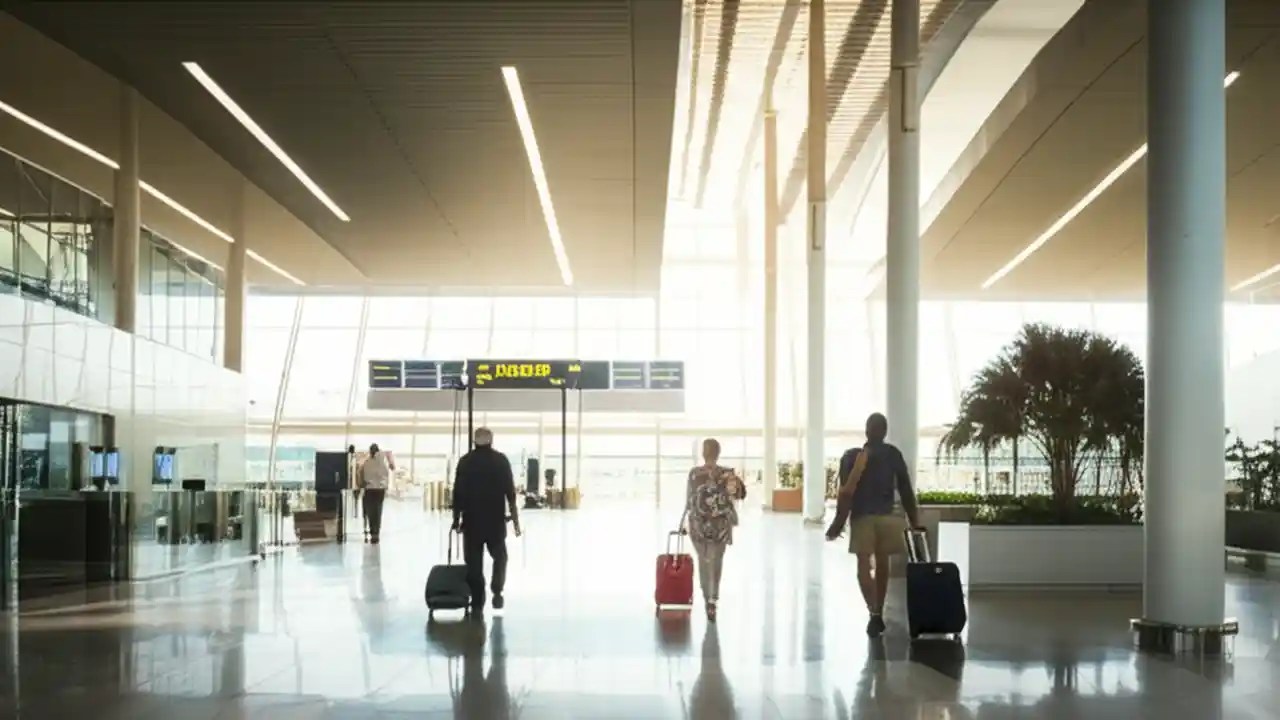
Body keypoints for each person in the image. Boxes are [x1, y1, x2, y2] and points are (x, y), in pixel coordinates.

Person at [826, 412, 922, 637]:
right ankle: (878, 607)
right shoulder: (893, 454)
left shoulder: (851, 457)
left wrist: (838, 522)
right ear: (885, 432)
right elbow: (906, 489)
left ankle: (874, 612)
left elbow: (845, 494)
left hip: (862, 517)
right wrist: (914, 521)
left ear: (866, 431)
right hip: (888, 517)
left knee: (863, 566)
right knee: (882, 563)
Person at [452, 427, 521, 613]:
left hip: (472, 522)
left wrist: (456, 519)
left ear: (474, 442)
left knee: (474, 562)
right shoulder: (501, 461)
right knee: (500, 557)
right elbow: (510, 493)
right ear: (491, 441)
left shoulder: (465, 462)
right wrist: (515, 521)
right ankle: (497, 590)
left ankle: (477, 598)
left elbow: (457, 493)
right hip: (495, 522)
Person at [681, 438, 745, 622]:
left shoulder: (694, 473)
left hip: (698, 525)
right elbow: (739, 495)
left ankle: (706, 597)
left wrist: (684, 521)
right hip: (720, 525)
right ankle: (712, 600)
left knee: (703, 561)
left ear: (703, 453)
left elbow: (689, 501)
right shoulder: (727, 473)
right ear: (718, 453)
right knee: (716, 562)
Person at [360, 443, 392, 544]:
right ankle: (376, 533)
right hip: (380, 490)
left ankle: (372, 531)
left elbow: (363, 476)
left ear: (370, 451)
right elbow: (386, 474)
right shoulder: (382, 462)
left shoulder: (367, 462)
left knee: (370, 512)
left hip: (370, 489)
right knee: (378, 511)